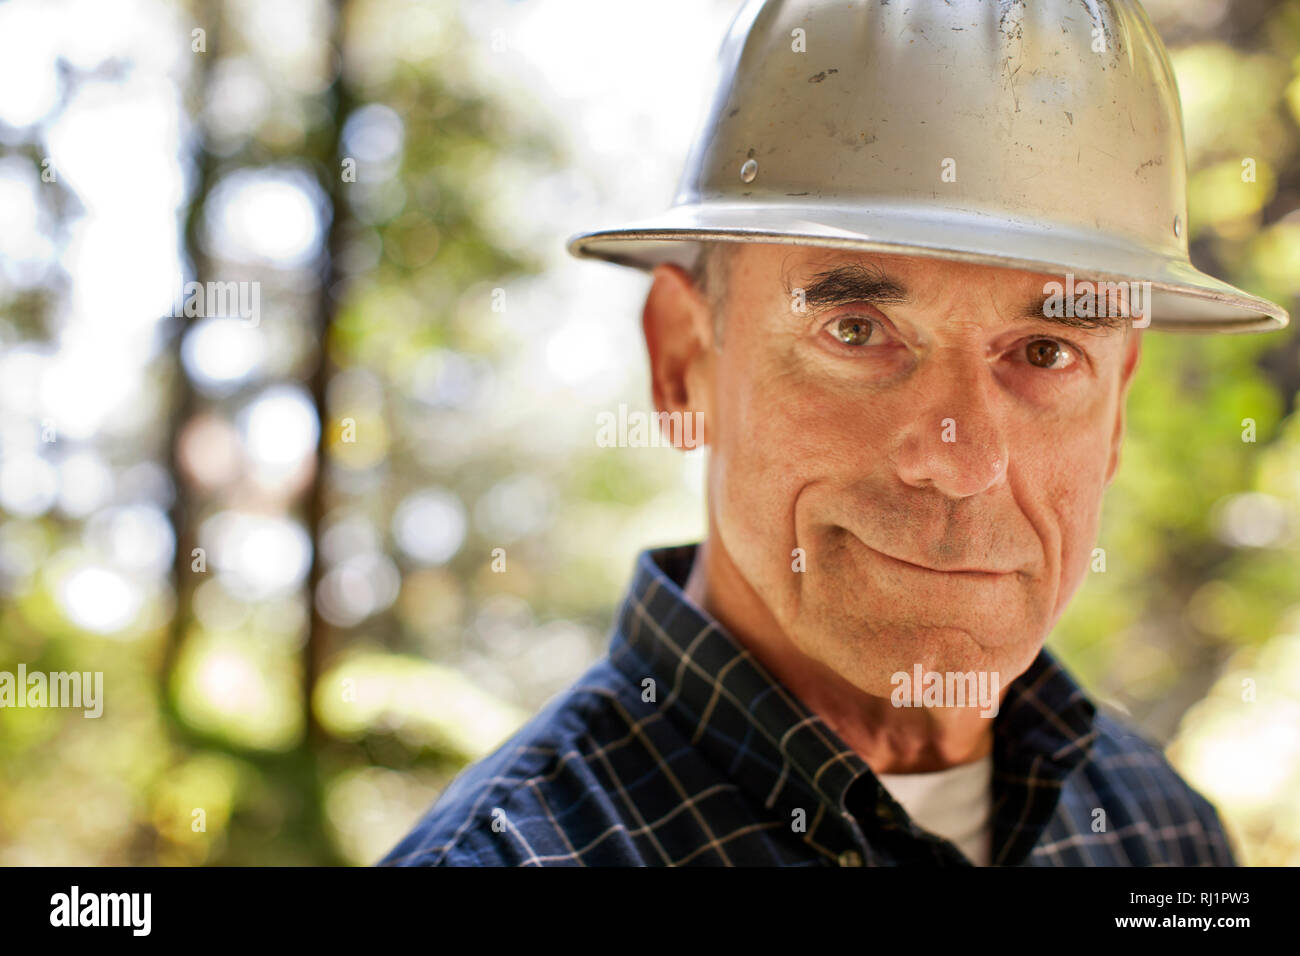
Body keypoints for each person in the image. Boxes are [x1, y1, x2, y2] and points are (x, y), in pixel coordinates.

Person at [380, 0, 1287, 866]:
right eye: (856, 330)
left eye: (1046, 352)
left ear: (1117, 408)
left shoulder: (1164, 837)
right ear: (683, 361)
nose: (961, 460)